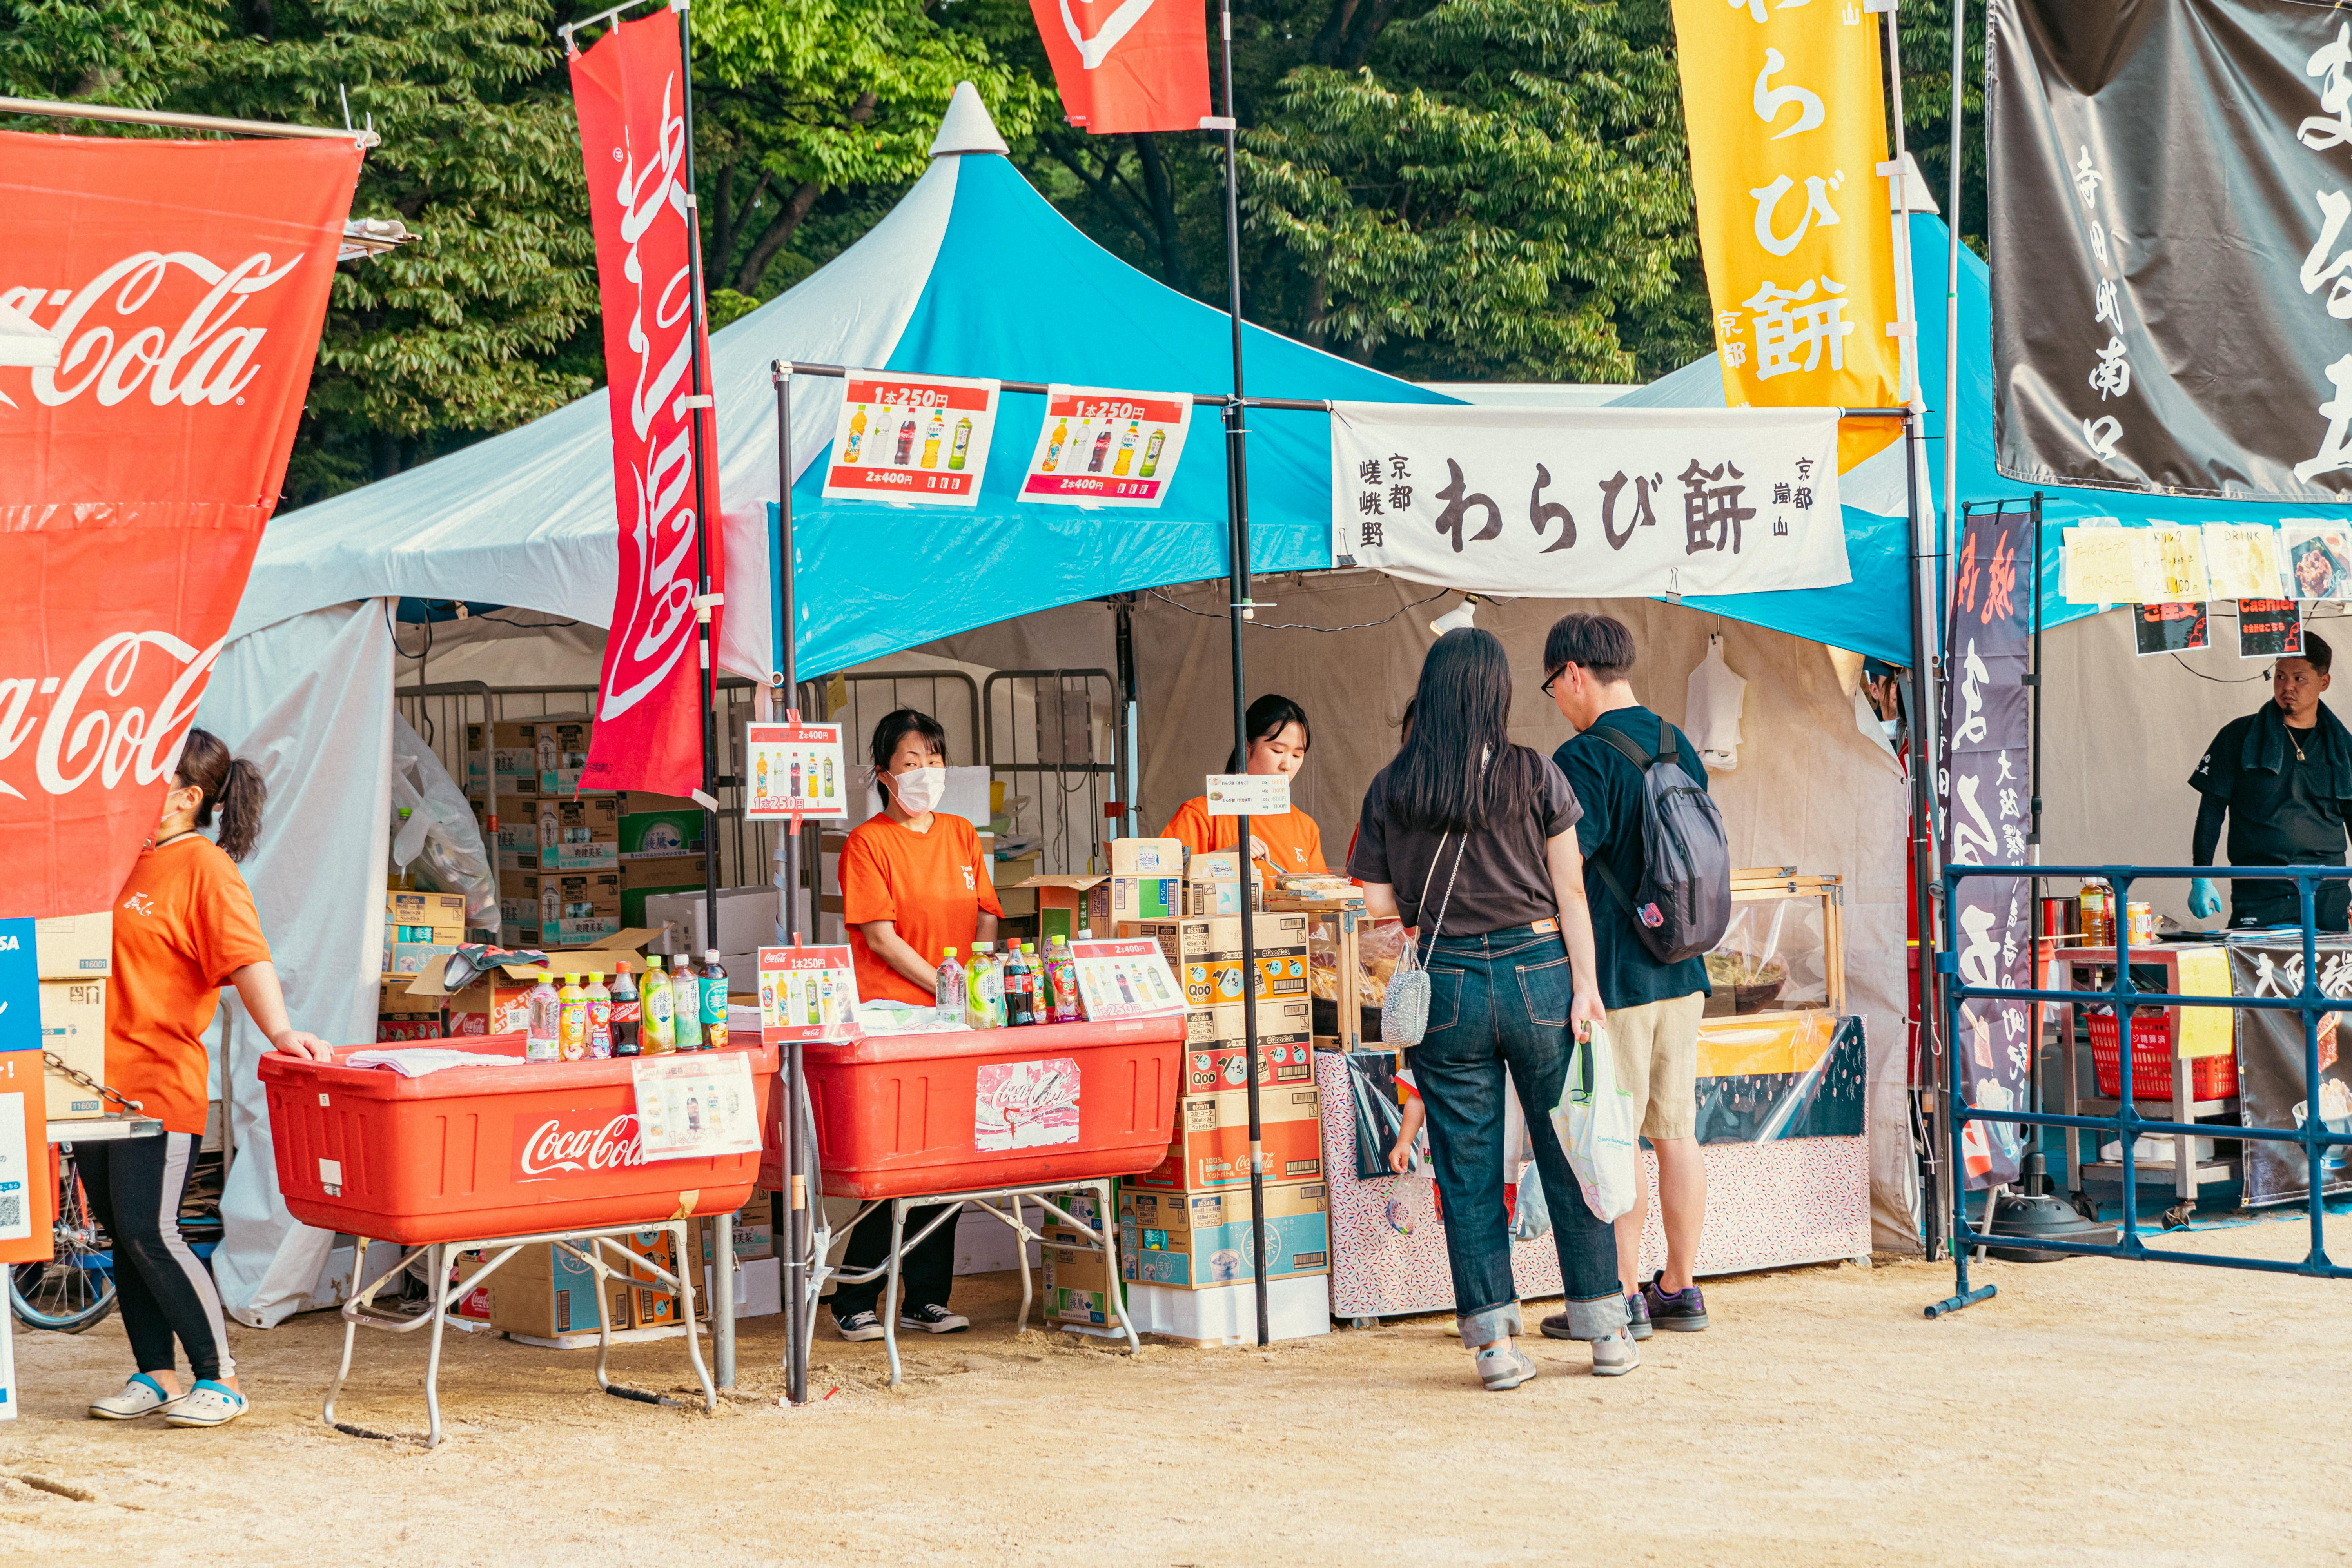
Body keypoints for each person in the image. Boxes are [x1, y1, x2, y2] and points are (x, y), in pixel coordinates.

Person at [1348, 627, 1633, 1388]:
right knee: (1565, 1149)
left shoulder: (1393, 786)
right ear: (1497, 693)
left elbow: (1377, 908)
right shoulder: (1534, 773)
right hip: (1539, 970)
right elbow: (1571, 890)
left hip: (1446, 987)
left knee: (1468, 1166)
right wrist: (1587, 986)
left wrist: (1420, 921)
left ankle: (1494, 1346)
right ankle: (1604, 1327)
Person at [86, 728, 331, 1430]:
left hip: (158, 1081)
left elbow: (246, 959)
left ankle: (218, 1375)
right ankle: (153, 1373)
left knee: (150, 1228)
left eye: (145, 778)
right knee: (118, 1233)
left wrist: (282, 1032)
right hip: (92, 1081)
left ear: (188, 798)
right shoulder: (126, 861)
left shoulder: (205, 869)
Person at [1543, 613, 1713, 1340]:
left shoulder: (1584, 758)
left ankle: (1620, 1295)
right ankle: (1680, 1285)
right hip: (1686, 968)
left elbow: (1567, 876)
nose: (1555, 699)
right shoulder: (1678, 743)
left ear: (1575, 673)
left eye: (1553, 685)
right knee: (1676, 1134)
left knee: (1616, 1137)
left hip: (1617, 976)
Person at [832, 709, 1002, 1340]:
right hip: (897, 1016)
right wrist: (947, 989)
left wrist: (975, 978)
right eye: (911, 763)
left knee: (949, 1160)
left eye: (934, 761)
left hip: (957, 1016)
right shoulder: (868, 843)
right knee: (895, 1163)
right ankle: (854, 1298)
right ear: (884, 774)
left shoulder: (961, 833)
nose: (926, 774)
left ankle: (926, 1296)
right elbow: (880, 937)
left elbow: (987, 911)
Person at [2188, 634, 2352, 931]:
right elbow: (2212, 810)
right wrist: (2201, 875)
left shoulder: (2343, 747)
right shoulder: (2239, 735)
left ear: (2323, 683)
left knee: (2327, 977)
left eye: (2299, 678)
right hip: (2259, 891)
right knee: (2259, 974)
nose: (2287, 686)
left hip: (2330, 894)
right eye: (2279, 676)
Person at [1163, 694, 1327, 880]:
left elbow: (1320, 895)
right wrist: (1226, 856)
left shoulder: (1306, 827)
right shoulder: (1199, 815)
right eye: (1278, 751)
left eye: (1298, 755)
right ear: (1247, 747)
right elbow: (1162, 879)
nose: (1287, 766)